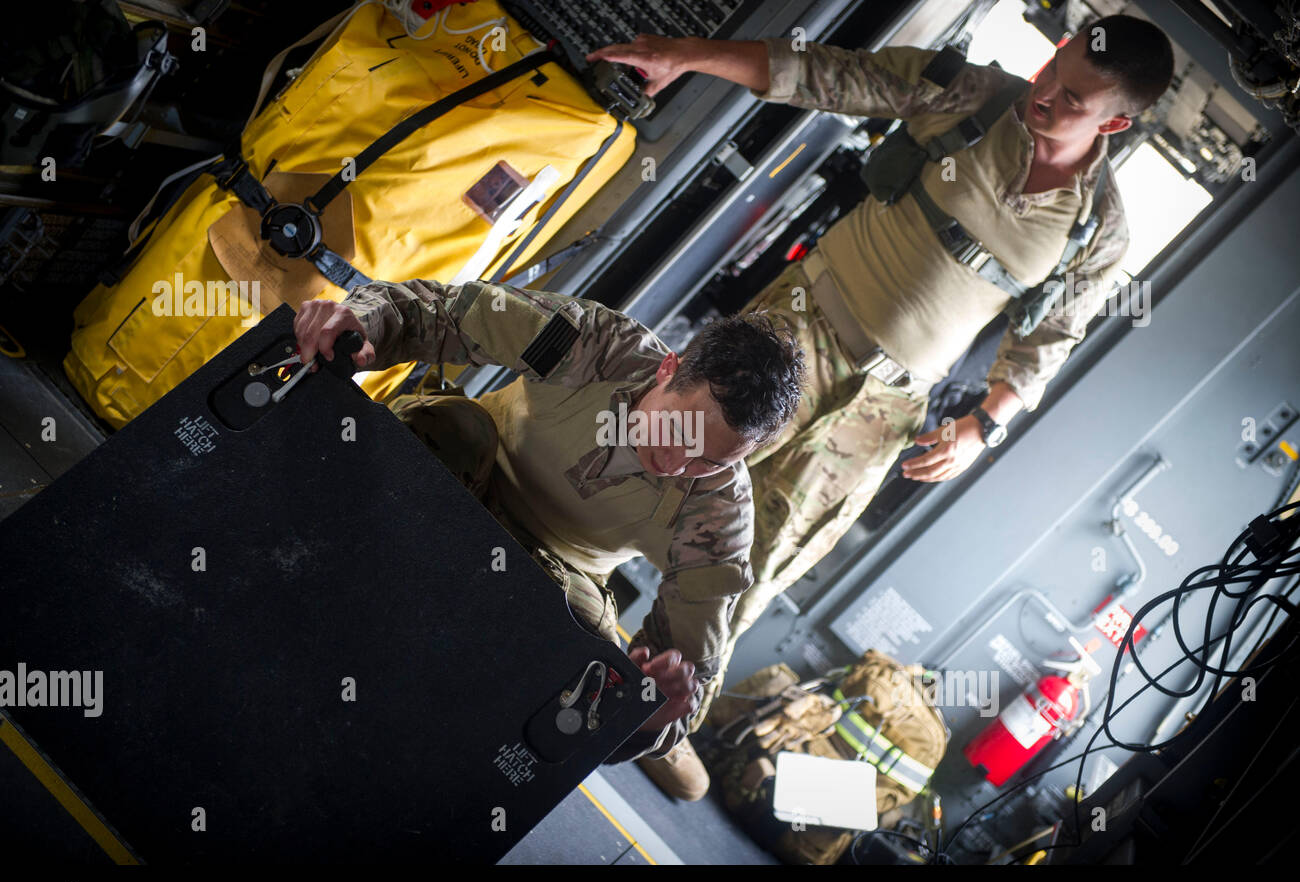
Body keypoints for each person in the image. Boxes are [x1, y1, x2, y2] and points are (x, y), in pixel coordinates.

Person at [588, 14, 1173, 793]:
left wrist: (983, 424)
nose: (1043, 95)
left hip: (885, 404)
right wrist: (684, 53)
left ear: (1117, 122)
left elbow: (1049, 338)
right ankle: (552, 595)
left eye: (1072, 98)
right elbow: (826, 71)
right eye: (1050, 70)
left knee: (765, 552)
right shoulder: (971, 95)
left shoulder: (1100, 227)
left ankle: (653, 702)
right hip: (793, 328)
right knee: (664, 460)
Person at [292, 278, 804, 793]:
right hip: (456, 471)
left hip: (547, 576)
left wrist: (646, 710)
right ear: (667, 368)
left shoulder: (719, 519)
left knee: (591, 658)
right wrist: (360, 323)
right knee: (456, 429)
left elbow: (681, 688)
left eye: (708, 461)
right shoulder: (598, 345)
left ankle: (425, 753)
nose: (675, 463)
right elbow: (441, 313)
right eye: (676, 430)